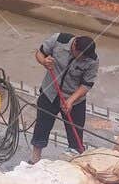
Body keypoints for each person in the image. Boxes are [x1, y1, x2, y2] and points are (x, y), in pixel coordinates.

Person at [30, 32, 97, 162]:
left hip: (74, 99)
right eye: (80, 56)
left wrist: (71, 100)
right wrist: (44, 61)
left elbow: (86, 84)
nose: (81, 60)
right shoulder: (59, 40)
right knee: (42, 126)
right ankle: (35, 159)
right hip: (50, 93)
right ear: (74, 46)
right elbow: (39, 53)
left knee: (75, 132)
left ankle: (75, 160)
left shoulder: (92, 59)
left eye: (84, 59)